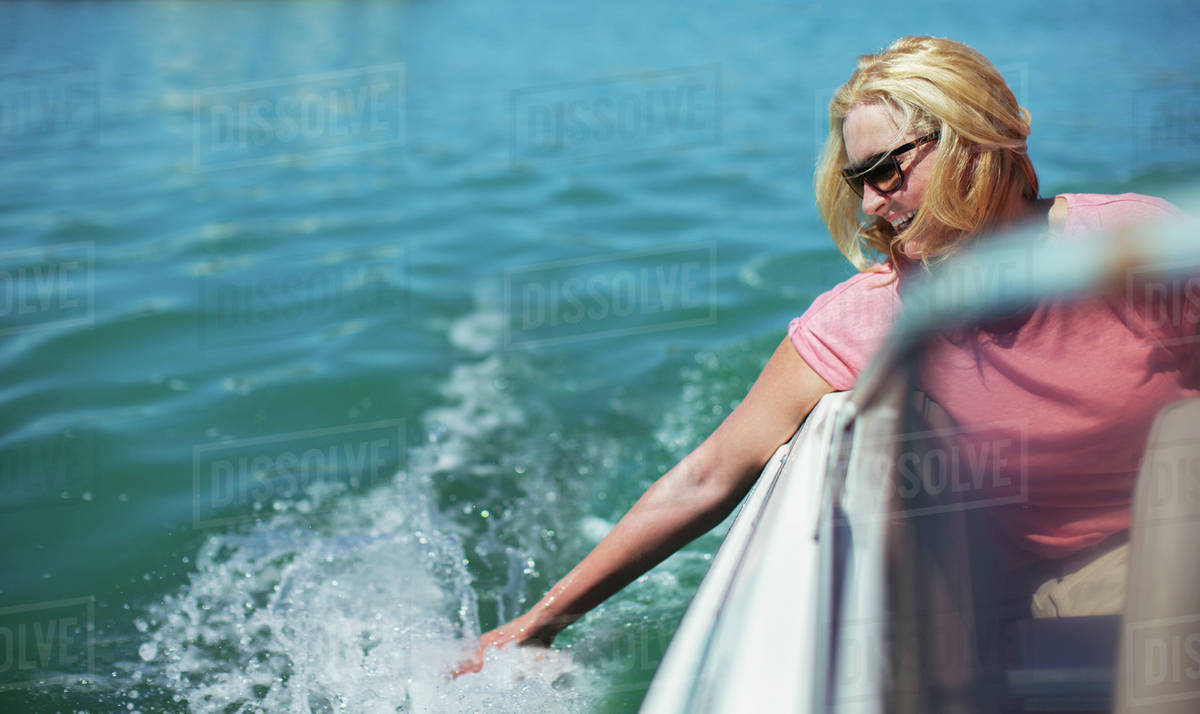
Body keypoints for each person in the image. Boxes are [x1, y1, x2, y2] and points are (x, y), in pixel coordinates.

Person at [455, 35, 1193, 676]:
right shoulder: (872, 316)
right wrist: (537, 624)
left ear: (971, 135)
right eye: (857, 182)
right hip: (1043, 599)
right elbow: (708, 476)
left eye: (885, 170)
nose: (872, 205)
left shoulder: (1134, 248)